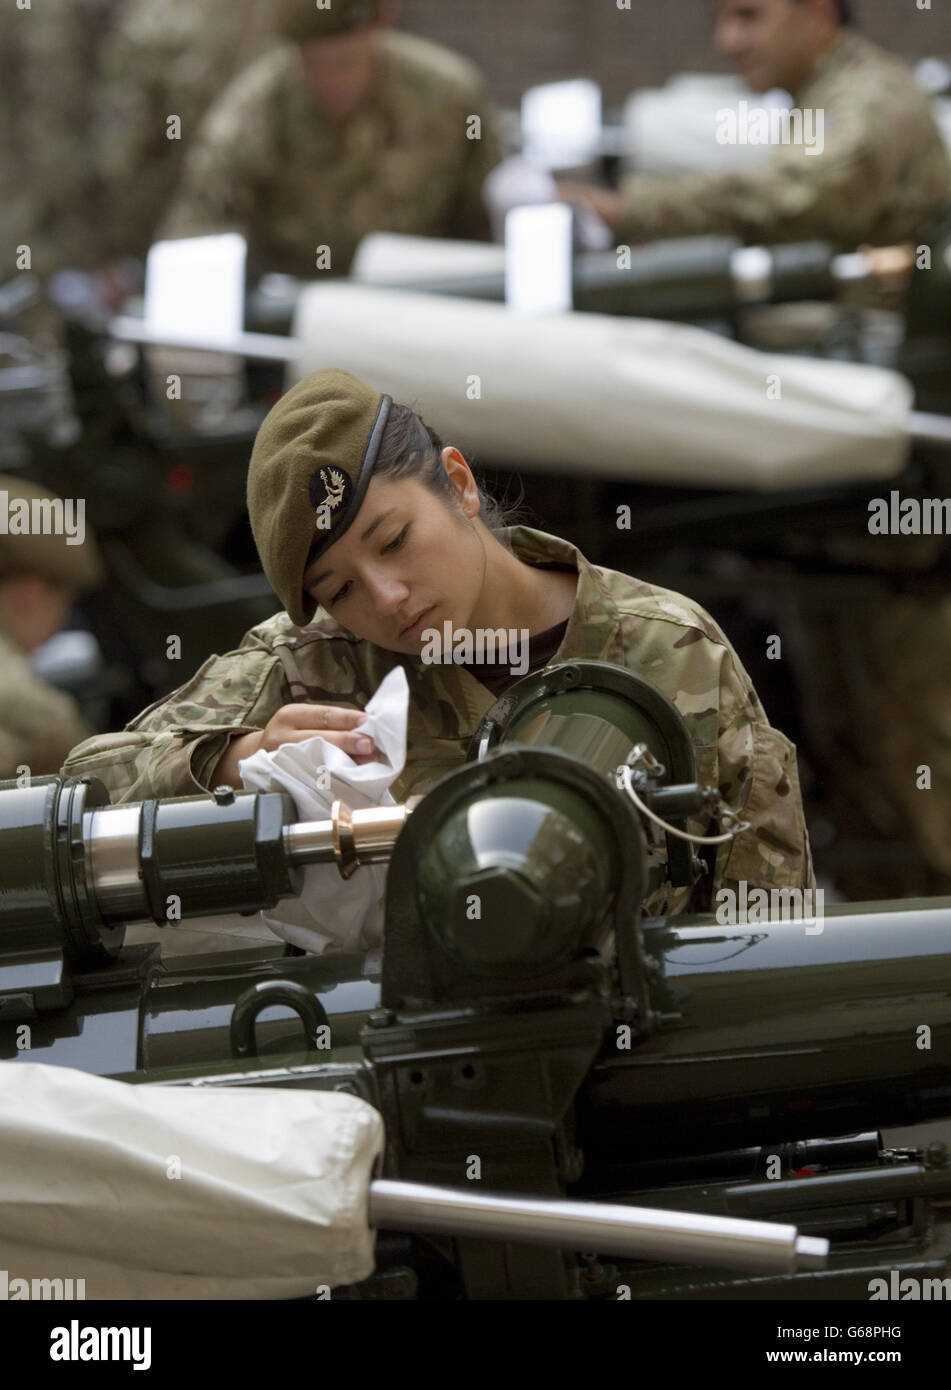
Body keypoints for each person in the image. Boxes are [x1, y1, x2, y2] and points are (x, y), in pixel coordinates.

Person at [63, 368, 815, 927]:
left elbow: (765, 914)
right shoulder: (318, 663)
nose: (385, 598)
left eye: (394, 541)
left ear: (456, 483)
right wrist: (233, 758)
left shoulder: (669, 650)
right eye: (341, 589)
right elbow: (84, 785)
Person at [560, 0, 951, 250]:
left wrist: (626, 209)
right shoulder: (826, 91)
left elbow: (796, 196)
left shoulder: (867, 97)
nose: (727, 41)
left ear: (818, 14)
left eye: (748, 15)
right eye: (721, 19)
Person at [157, 0, 501, 281]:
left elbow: (485, 234)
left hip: (422, 310)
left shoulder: (449, 99)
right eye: (315, 64)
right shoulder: (251, 116)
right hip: (292, 327)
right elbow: (195, 243)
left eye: (345, 61)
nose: (332, 80)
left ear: (380, 25)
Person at [95, 0, 282, 263]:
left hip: (275, 242)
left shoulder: (287, 16)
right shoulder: (155, 24)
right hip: (166, 240)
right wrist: (113, 252)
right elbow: (122, 153)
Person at [0, 476, 105, 781]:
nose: (60, 623)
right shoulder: (26, 706)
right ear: (28, 594)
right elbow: (99, 779)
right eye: (64, 602)